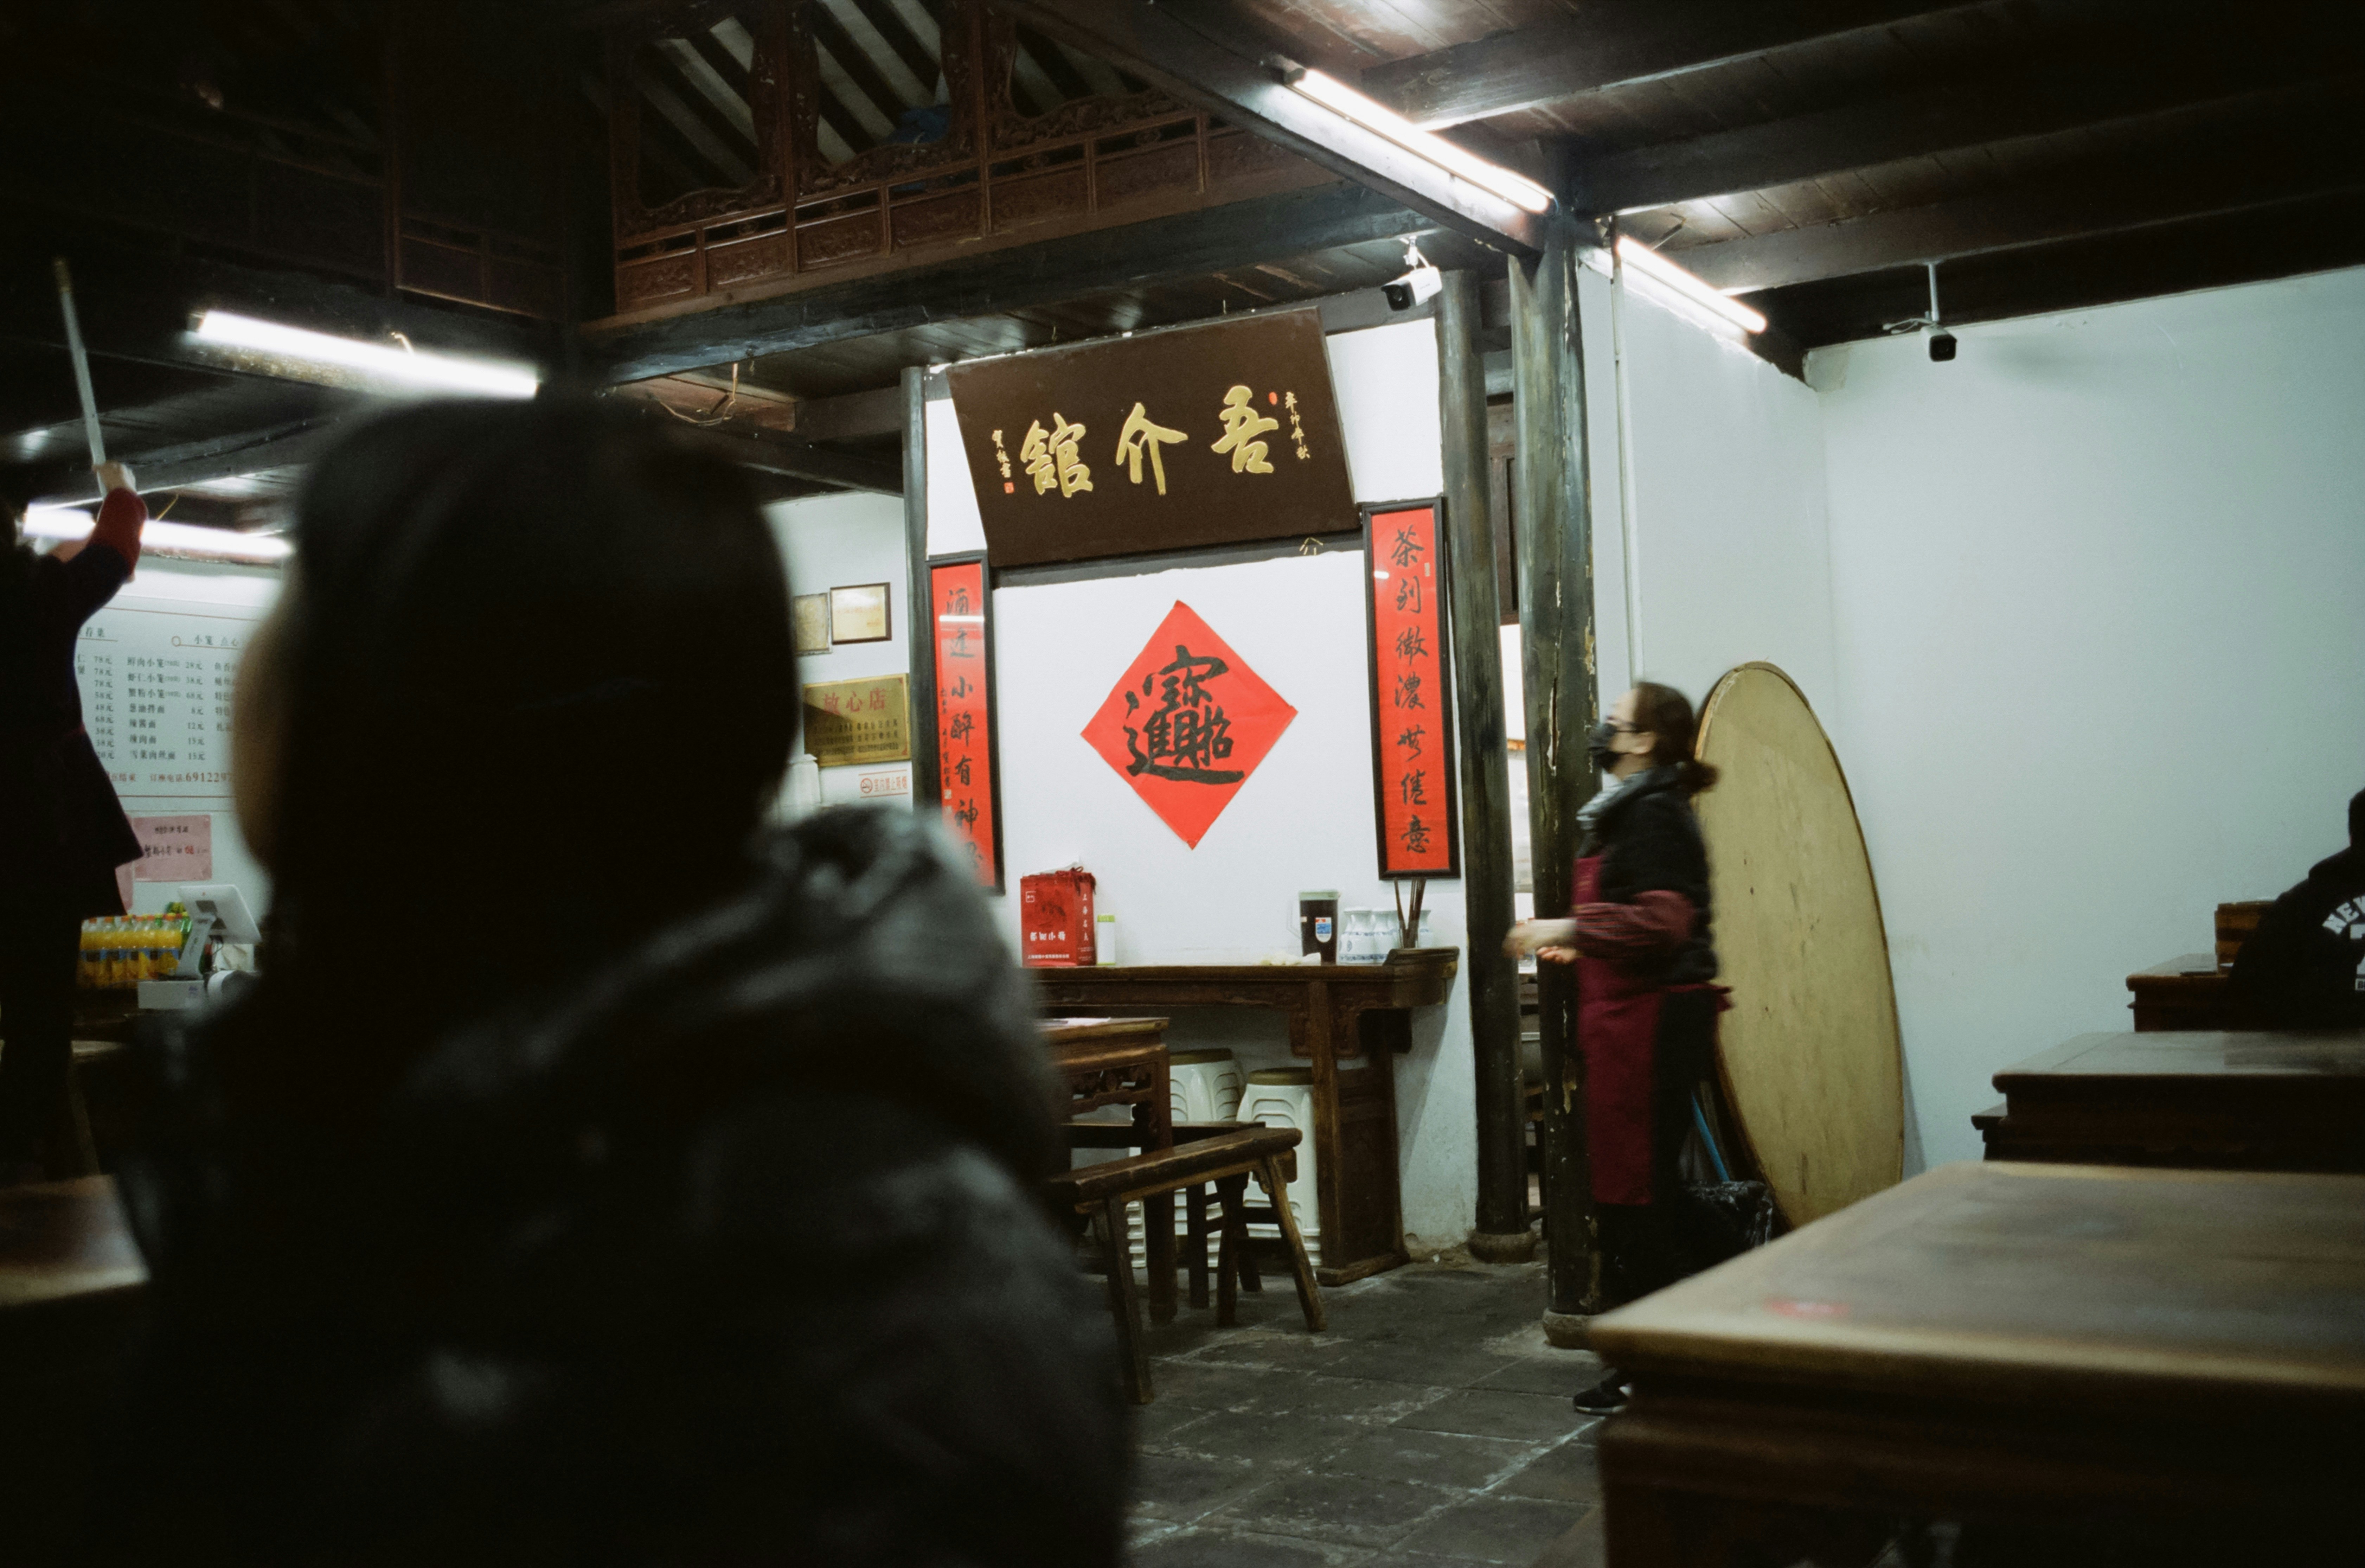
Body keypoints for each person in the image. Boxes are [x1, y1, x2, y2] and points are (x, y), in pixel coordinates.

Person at [84, 402, 1127, 1567]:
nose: (255, 673)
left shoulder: (872, 1260)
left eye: (299, 600)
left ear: (417, 709)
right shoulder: (339, 1093)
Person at [1506, 681, 1728, 1416]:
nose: (1603, 730)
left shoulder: (1654, 813)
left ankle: (1669, 1364)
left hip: (1652, 1025)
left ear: (1644, 742)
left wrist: (1562, 930)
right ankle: (1693, 1352)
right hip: (1636, 1019)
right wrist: (1587, 945)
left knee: (1636, 1201)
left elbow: (1661, 926)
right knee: (1643, 1195)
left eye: (1616, 722)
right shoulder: (1634, 811)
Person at [0, 463, 148, 1183]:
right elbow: (118, 548)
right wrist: (120, 488)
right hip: (41, 836)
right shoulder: (40, 595)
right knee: (38, 1009)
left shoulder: (41, 586)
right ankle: (18, 1147)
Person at [2227, 788, 2365, 1028]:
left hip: (2321, 1055)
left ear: (2352, 837)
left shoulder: (2303, 901)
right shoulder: (2305, 900)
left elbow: (2244, 994)